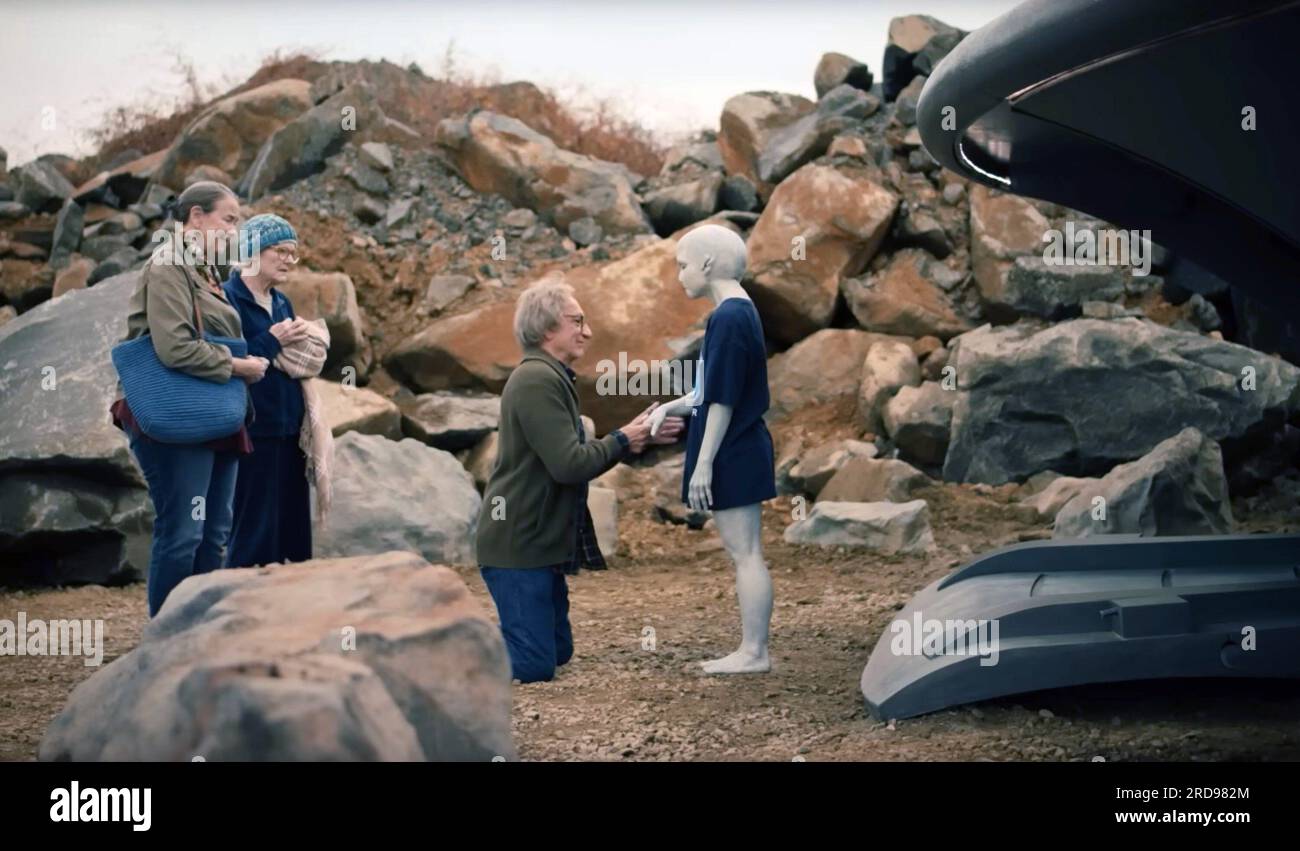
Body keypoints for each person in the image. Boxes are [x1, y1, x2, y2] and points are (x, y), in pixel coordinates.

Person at [475, 279, 685, 683]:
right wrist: (624, 438)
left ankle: (493, 639)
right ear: (547, 329)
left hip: (537, 548)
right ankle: (442, 651)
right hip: (518, 549)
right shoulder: (537, 379)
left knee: (559, 653)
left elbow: (571, 457)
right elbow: (569, 465)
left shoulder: (550, 376)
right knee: (536, 665)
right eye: (577, 321)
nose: (587, 331)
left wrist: (633, 440)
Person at [110, 181, 269, 616]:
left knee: (214, 531)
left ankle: (198, 634)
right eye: (229, 219)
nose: (235, 230)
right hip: (175, 411)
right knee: (184, 531)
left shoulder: (205, 272)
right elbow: (174, 347)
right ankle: (166, 637)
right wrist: (238, 366)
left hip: (214, 413)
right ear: (196, 217)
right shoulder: (169, 265)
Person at [649, 224, 777, 674]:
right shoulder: (737, 311)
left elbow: (721, 400)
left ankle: (753, 653)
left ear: (706, 264)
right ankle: (752, 649)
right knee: (745, 552)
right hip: (739, 445)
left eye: (683, 265)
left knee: (746, 553)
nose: (680, 274)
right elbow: (708, 391)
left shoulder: (728, 317)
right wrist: (668, 407)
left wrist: (703, 463)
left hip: (733, 449)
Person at [223, 214, 319, 568]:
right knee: (253, 530)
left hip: (289, 431)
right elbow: (225, 361)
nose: (288, 260)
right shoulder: (227, 299)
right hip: (251, 431)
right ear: (252, 250)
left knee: (292, 531)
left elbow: (290, 359)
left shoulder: (281, 302)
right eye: (279, 250)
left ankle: (288, 611)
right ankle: (242, 610)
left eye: (292, 253)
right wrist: (271, 340)